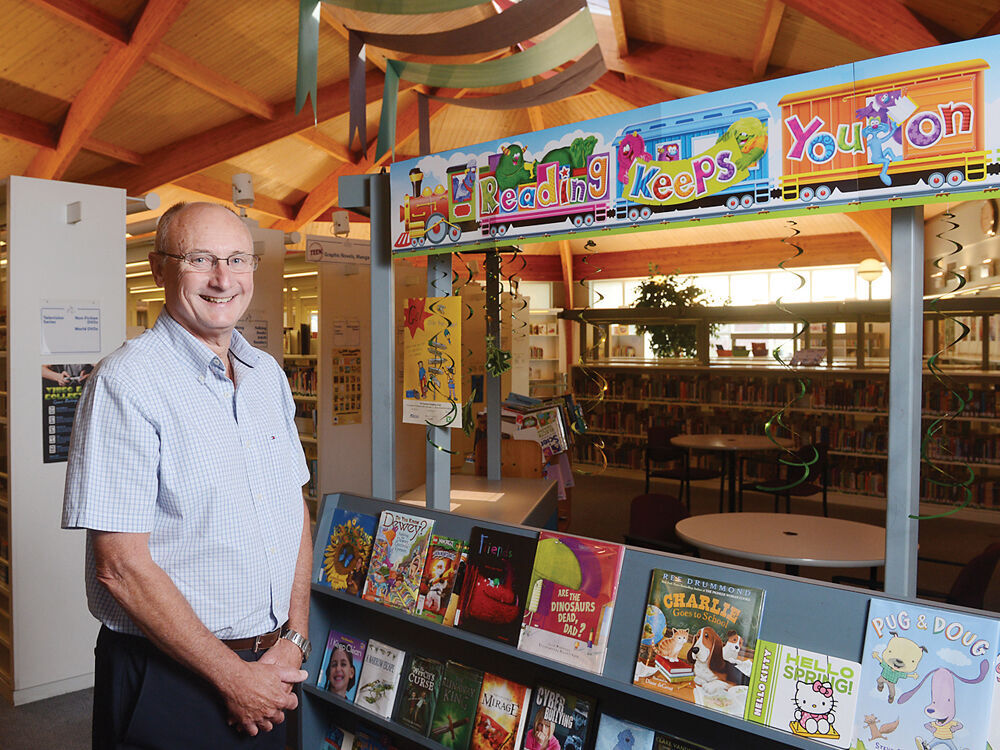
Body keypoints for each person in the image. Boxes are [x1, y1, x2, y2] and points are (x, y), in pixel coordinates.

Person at [62, 202, 313, 750]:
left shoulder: (267, 375)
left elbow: (293, 506)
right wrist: (232, 677)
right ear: (159, 269)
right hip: (168, 675)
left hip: (272, 665)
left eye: (237, 259)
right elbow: (120, 567)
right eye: (200, 259)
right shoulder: (126, 382)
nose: (223, 278)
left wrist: (295, 636)